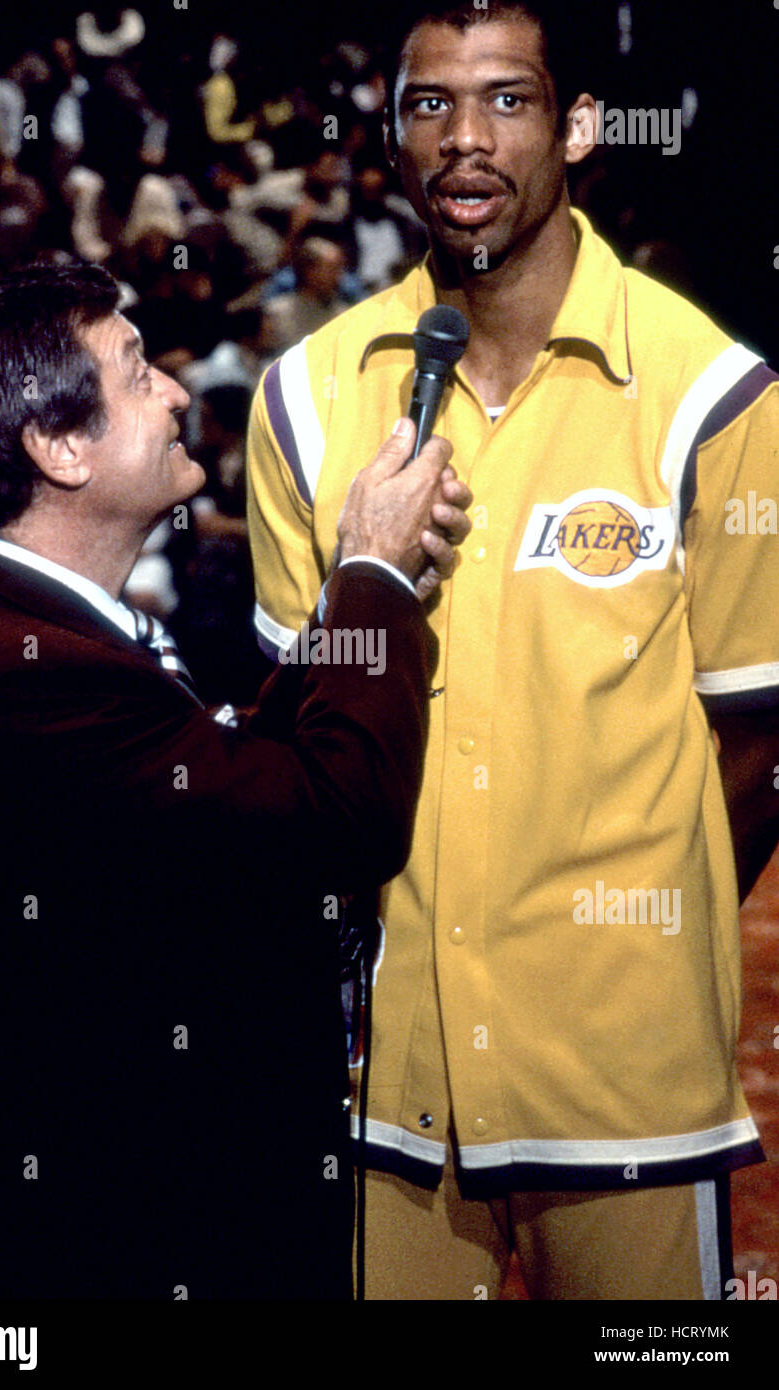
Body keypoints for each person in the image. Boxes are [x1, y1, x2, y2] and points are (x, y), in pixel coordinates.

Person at [245, 0, 779, 1300]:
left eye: (506, 99)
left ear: (580, 125)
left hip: (626, 1082)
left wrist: (632, 957)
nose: (463, 139)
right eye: (429, 104)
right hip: (388, 1085)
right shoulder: (307, 398)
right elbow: (293, 743)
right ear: (391, 132)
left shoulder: (714, 392)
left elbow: (754, 737)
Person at [0, 261, 472, 1299]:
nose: (170, 392)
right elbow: (332, 821)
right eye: (135, 370)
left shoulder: (10, 627)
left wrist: (354, 581)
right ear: (58, 447)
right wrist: (376, 574)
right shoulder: (5, 669)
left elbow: (236, 778)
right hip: (146, 1236)